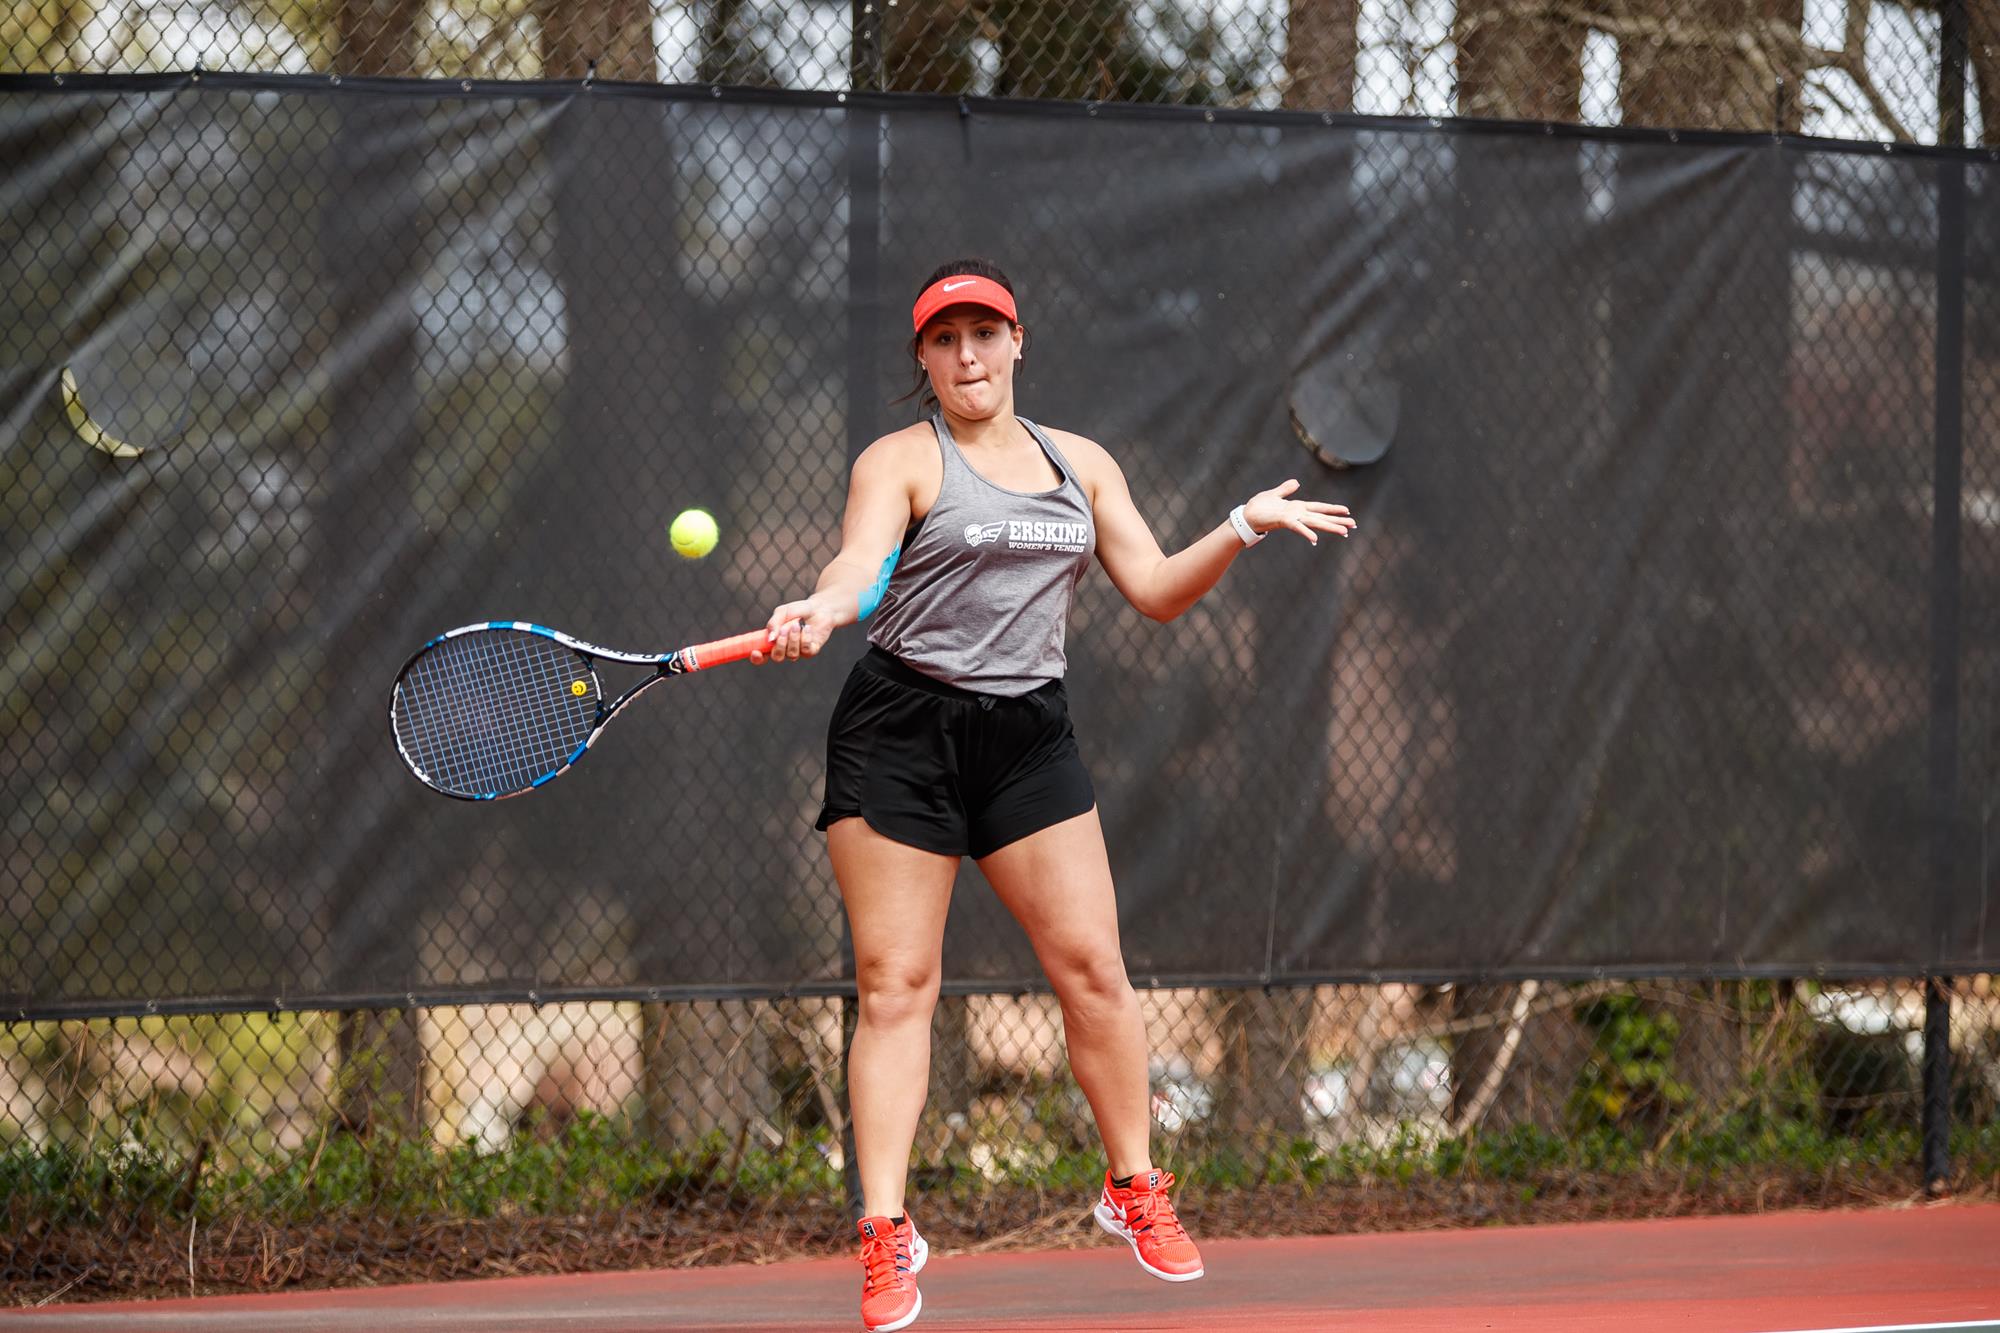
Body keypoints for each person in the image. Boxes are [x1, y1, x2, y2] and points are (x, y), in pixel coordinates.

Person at [754, 259, 1355, 1333]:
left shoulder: (1080, 466)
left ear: (1018, 342)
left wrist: (1242, 524)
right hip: (901, 733)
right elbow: (857, 566)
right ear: (924, 361)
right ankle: (885, 1233)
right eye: (945, 340)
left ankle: (1132, 1187)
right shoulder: (899, 461)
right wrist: (822, 603)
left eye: (985, 332)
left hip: (1027, 736)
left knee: (1093, 971)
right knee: (896, 983)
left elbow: (1160, 592)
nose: (967, 354)